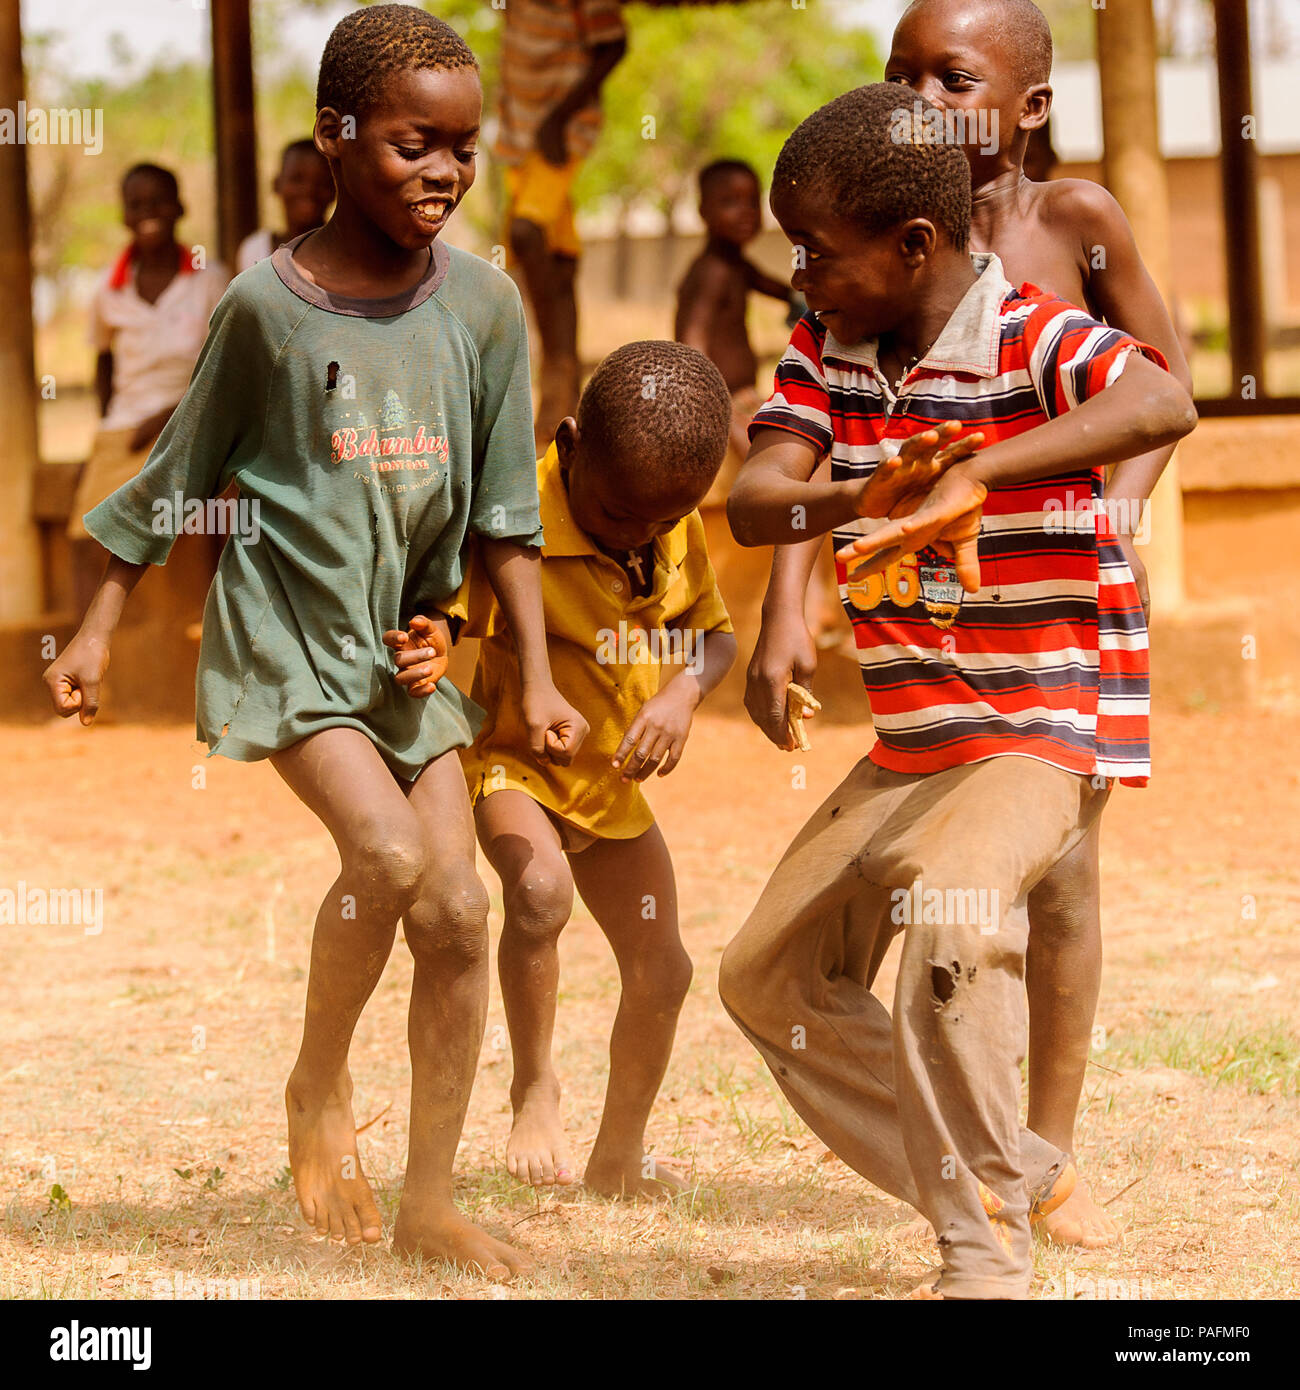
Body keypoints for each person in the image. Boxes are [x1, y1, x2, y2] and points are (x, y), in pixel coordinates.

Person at [44, 4, 587, 1282]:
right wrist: (97, 625)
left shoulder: (488, 308)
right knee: (392, 856)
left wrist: (518, 661)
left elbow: (506, 510)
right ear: (334, 139)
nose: (443, 172)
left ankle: (431, 1200)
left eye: (463, 147)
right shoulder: (264, 310)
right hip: (289, 632)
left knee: (461, 907)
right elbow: (176, 473)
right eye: (412, 146)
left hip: (403, 653)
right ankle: (315, 1079)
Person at [720, 83, 1196, 1299]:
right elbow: (757, 494)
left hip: (1039, 721)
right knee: (764, 977)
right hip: (916, 736)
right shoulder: (828, 348)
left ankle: (982, 1256)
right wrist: (854, 496)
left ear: (914, 246)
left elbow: (1159, 396)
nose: (799, 272)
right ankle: (1016, 1166)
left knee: (956, 911)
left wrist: (974, 470)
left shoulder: (1032, 333)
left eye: (817, 250)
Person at [445, 341, 737, 1196]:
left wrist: (683, 694)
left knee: (666, 968)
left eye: (659, 523)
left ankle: (617, 1154)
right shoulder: (513, 513)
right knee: (538, 895)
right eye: (617, 515)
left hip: (610, 786)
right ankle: (534, 1086)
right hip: (515, 768)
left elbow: (714, 636)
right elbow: (448, 614)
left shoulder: (663, 512)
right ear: (571, 446)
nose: (636, 536)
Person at [67, 163, 228, 614]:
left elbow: (221, 368)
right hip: (127, 426)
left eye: (158, 201)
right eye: (135, 204)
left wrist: (164, 419)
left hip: (191, 422)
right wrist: (106, 428)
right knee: (85, 536)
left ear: (180, 207)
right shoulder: (107, 288)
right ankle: (89, 646)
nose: (147, 212)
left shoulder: (208, 277)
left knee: (214, 520)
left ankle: (207, 622)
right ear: (123, 215)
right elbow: (102, 359)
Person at [495, 0, 627, 449]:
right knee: (557, 258)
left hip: (557, 133)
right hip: (518, 137)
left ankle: (558, 375)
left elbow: (614, 44)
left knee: (526, 232)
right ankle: (566, 404)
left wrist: (559, 117)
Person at [675, 159, 797, 504]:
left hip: (740, 393)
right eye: (729, 202)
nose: (744, 212)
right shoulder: (712, 271)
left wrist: (799, 299)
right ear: (703, 211)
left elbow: (778, 288)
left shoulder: (735, 264)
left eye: (751, 202)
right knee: (765, 465)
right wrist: (707, 400)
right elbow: (692, 336)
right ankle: (777, 512)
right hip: (724, 399)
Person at [235, 138, 335, 271]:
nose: (309, 190)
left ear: (335, 190)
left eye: (322, 182)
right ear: (276, 184)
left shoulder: (345, 252)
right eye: (297, 179)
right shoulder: (255, 249)